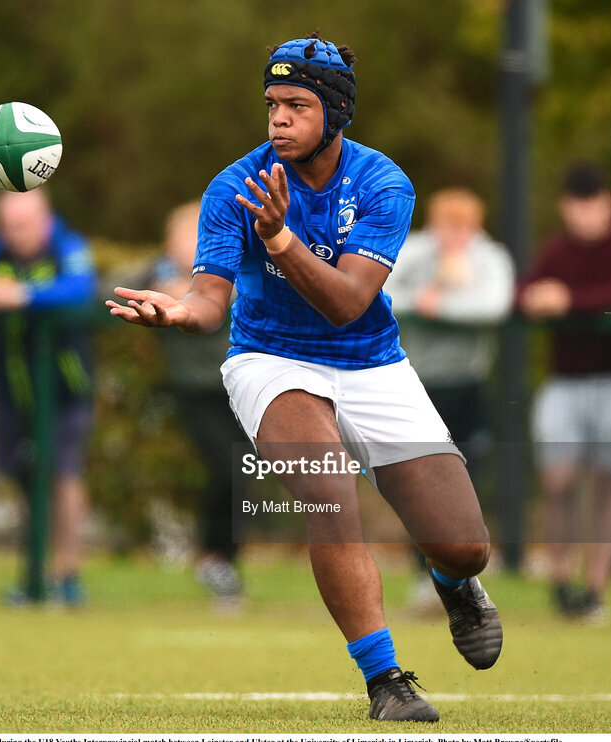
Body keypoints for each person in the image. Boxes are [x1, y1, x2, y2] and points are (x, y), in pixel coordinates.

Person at [107, 33, 502, 723]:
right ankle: (386, 680)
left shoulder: (383, 182)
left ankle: (452, 582)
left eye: (296, 104)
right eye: (271, 104)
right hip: (270, 359)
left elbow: (349, 302)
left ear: (336, 109)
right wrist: (180, 311)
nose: (278, 119)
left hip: (372, 361)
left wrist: (283, 241)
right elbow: (210, 299)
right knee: (328, 496)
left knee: (464, 544)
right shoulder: (235, 186)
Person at [0, 188, 98, 607]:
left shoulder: (68, 246)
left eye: (23, 225)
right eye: (7, 226)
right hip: (14, 391)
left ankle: (68, 577)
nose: (15, 234)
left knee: (63, 476)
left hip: (65, 389)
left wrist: (21, 295)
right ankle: (34, 577)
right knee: (26, 479)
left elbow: (80, 289)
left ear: (45, 220)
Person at [517, 163, 611, 622]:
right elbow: (524, 292)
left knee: (607, 484)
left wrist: (567, 300)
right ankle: (561, 582)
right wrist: (536, 298)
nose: (586, 213)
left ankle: (596, 590)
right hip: (564, 382)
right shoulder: (556, 250)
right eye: (577, 204)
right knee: (558, 480)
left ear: (608, 203)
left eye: (593, 203)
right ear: (565, 206)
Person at [386, 188, 514, 612]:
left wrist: (441, 304)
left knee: (466, 479)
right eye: (447, 225)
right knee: (416, 481)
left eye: (464, 227)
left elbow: (493, 305)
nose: (454, 235)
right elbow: (378, 288)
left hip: (469, 384)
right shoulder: (414, 251)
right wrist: (422, 295)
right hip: (416, 382)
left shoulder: (489, 257)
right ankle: (422, 577)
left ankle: (463, 576)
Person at [147, 201, 249, 608]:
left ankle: (225, 563)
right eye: (184, 237)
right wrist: (165, 288)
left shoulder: (233, 270)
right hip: (195, 391)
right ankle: (215, 558)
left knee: (241, 474)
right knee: (226, 468)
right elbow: (111, 287)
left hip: (243, 388)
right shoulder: (157, 271)